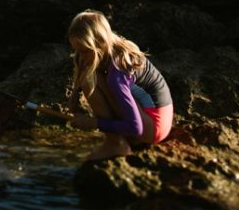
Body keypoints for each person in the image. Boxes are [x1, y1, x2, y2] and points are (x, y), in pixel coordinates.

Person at [66, 10, 173, 159]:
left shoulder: (117, 74)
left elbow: (135, 128)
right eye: (77, 50)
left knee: (89, 79)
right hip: (155, 120)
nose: (80, 57)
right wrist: (74, 98)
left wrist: (94, 123)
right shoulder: (113, 48)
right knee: (89, 73)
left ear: (100, 43)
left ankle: (115, 144)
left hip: (154, 127)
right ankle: (121, 141)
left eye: (84, 51)